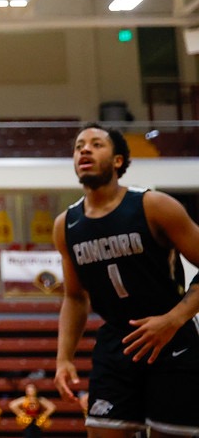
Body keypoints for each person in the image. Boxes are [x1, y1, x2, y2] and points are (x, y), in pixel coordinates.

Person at [53, 122, 199, 436]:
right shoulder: (66, 224)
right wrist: (63, 358)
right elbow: (75, 298)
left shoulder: (153, 206)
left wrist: (173, 320)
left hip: (171, 341)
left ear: (118, 161)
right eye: (79, 146)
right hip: (116, 344)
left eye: (95, 144)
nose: (85, 150)